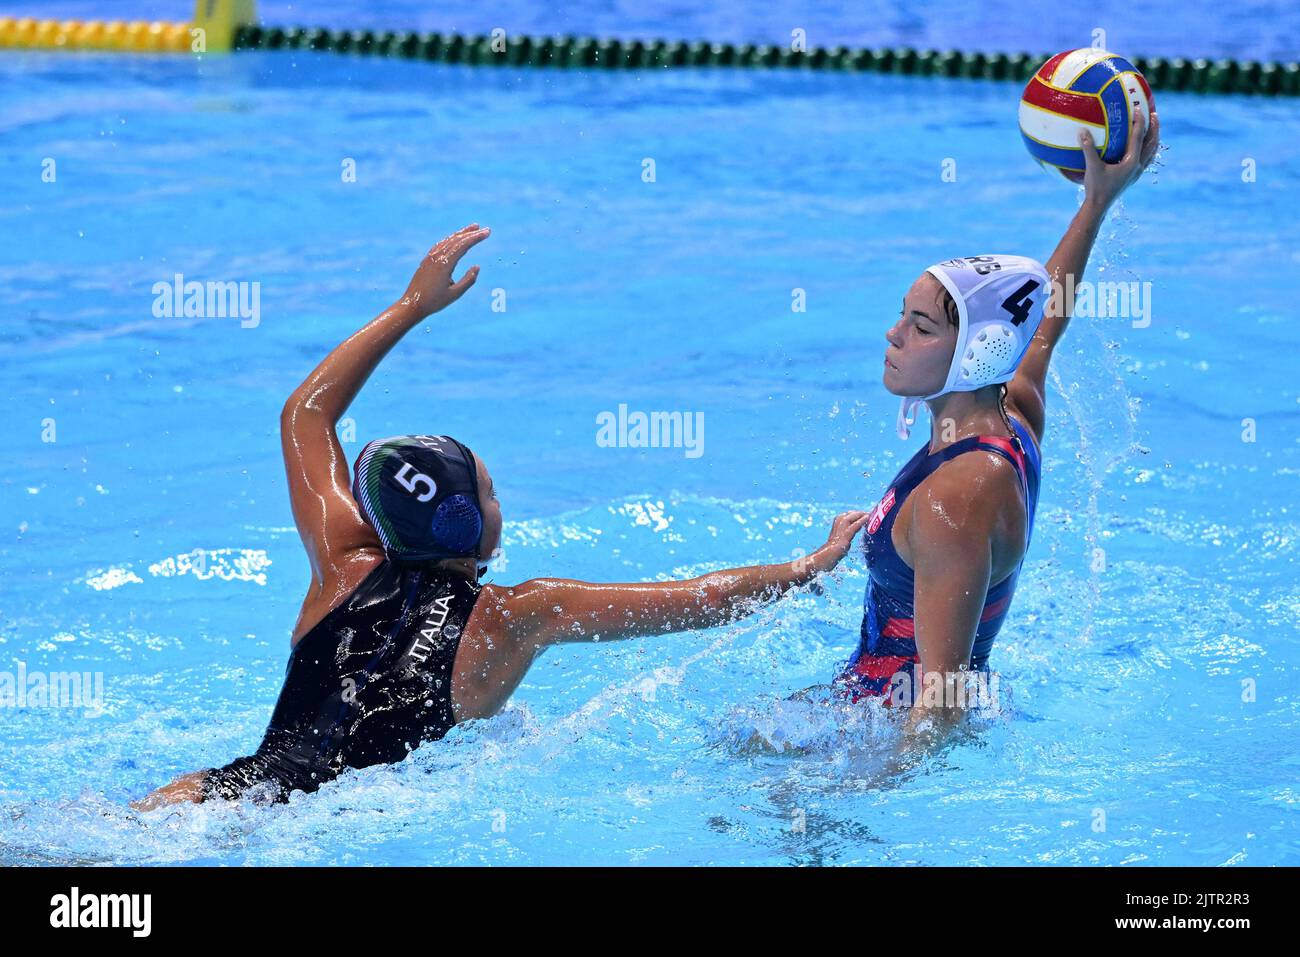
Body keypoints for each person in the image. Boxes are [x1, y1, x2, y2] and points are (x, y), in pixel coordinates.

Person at [133, 225, 870, 808]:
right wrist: (808, 565)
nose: (500, 500)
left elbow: (306, 412)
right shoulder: (518, 616)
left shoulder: (341, 567)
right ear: (466, 526)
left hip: (212, 797)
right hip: (328, 832)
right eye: (491, 490)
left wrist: (409, 307)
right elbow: (699, 599)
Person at [834, 105, 1161, 736]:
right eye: (903, 314)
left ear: (975, 352)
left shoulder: (954, 498)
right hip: (867, 706)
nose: (893, 334)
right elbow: (1043, 323)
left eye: (921, 326)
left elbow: (943, 705)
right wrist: (1095, 205)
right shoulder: (1014, 410)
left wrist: (841, 799)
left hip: (879, 732)